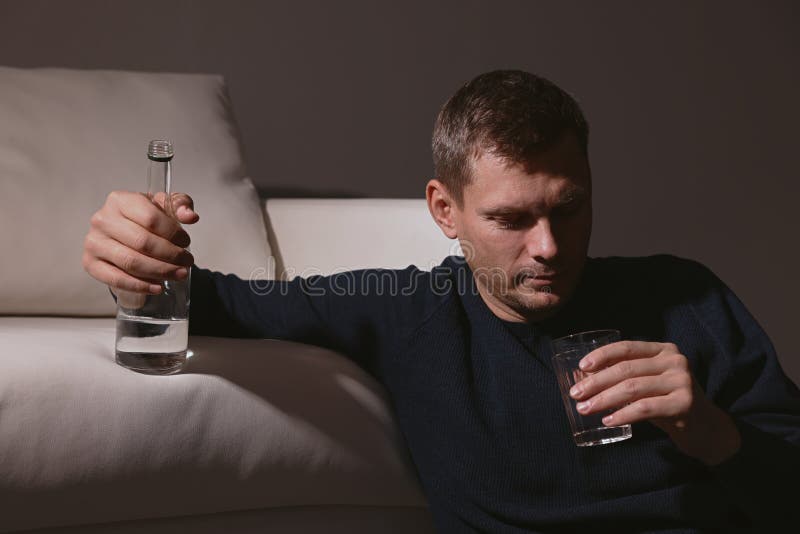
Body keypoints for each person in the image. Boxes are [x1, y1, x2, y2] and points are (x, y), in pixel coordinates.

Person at [83, 70, 799, 533]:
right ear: (445, 210)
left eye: (570, 209)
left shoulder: (683, 296)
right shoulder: (406, 310)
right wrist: (132, 250)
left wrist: (709, 429)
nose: (548, 246)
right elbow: (211, 301)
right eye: (512, 219)